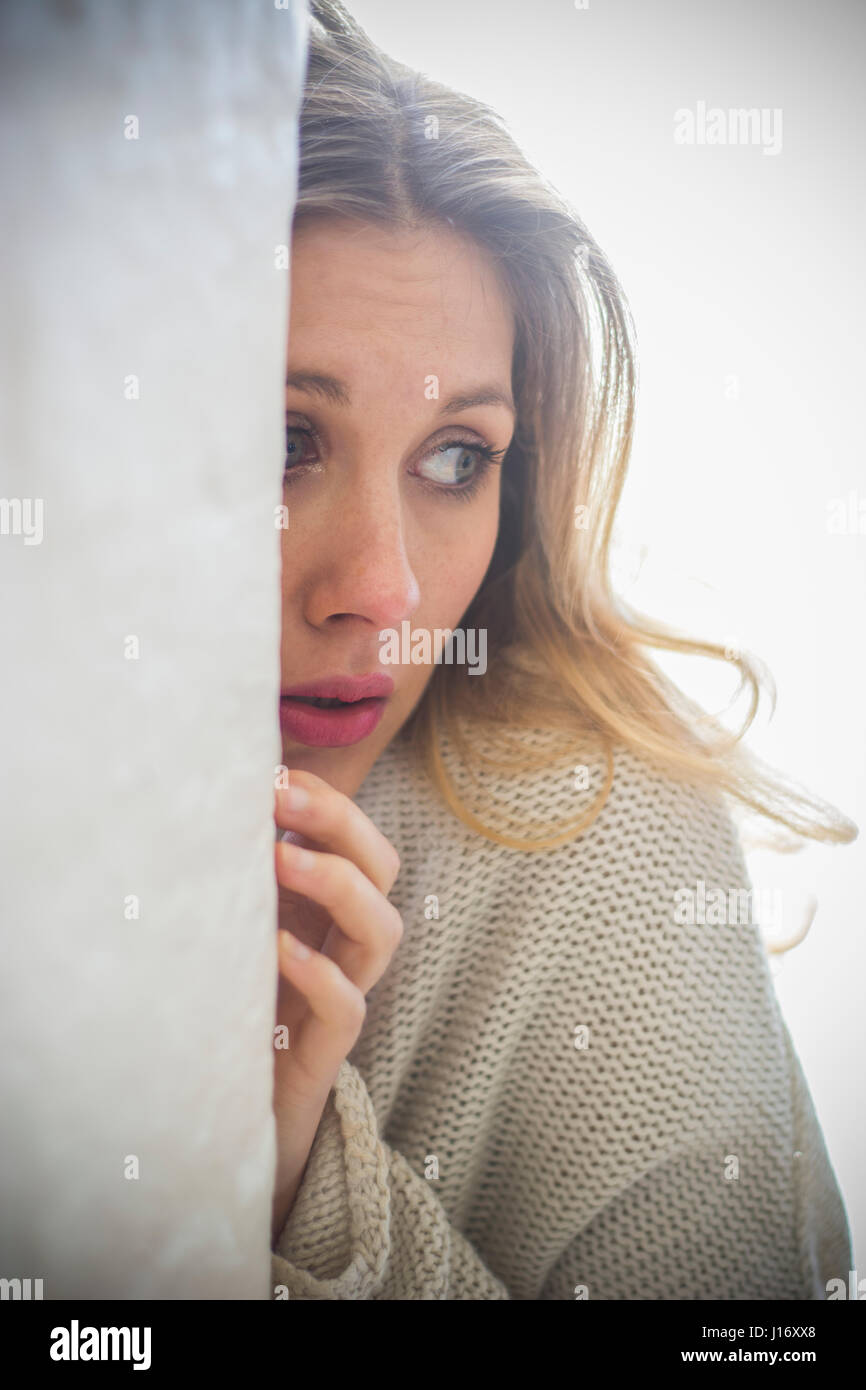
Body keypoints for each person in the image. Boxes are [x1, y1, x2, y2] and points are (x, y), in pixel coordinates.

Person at [269, 0, 855, 1300]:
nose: (382, 587)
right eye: (283, 442)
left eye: (456, 459)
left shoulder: (607, 840)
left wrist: (302, 1191)